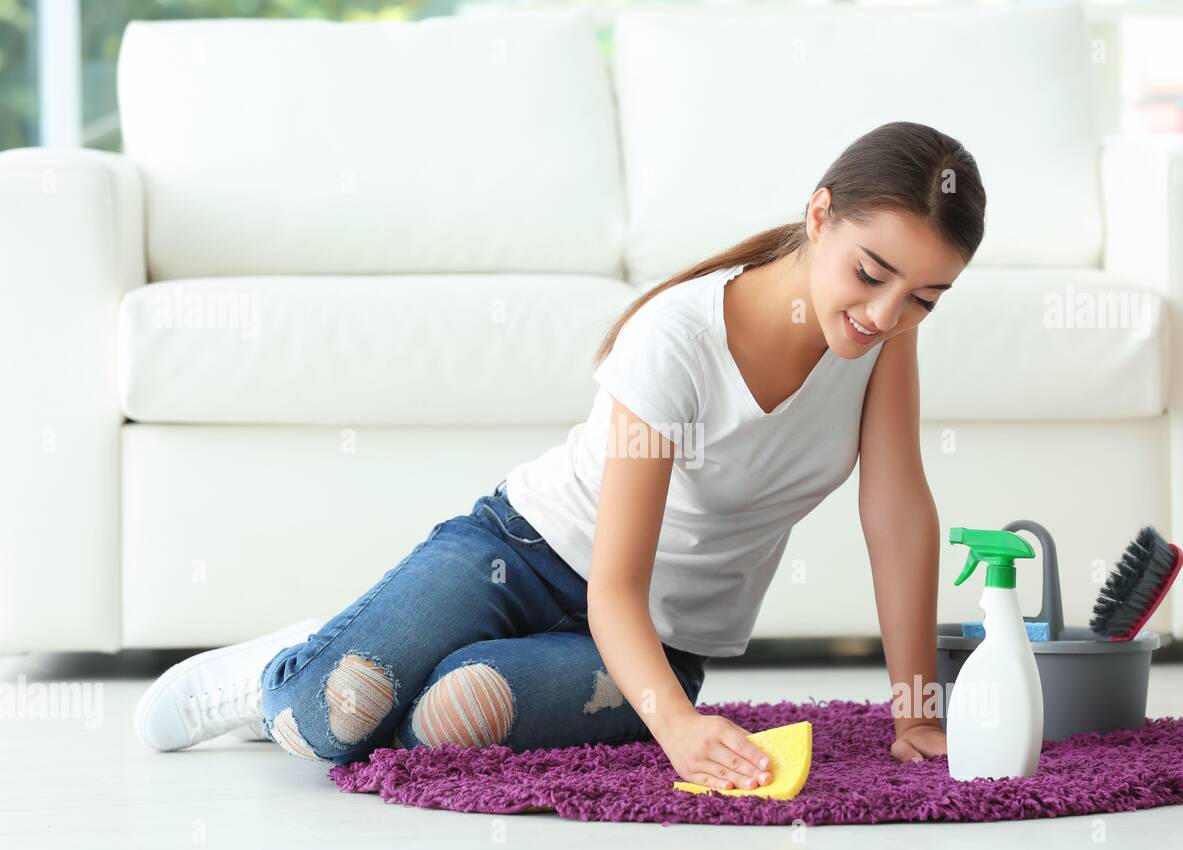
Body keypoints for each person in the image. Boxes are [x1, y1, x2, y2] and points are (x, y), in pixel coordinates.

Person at [135, 120, 984, 792]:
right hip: (521, 552)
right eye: (870, 272)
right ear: (819, 213)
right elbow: (614, 582)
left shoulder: (882, 343)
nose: (885, 312)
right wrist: (675, 732)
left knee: (454, 715)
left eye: (924, 299)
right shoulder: (676, 339)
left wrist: (914, 709)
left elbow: (897, 514)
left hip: (657, 643)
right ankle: (282, 670)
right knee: (333, 714)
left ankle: (380, 662)